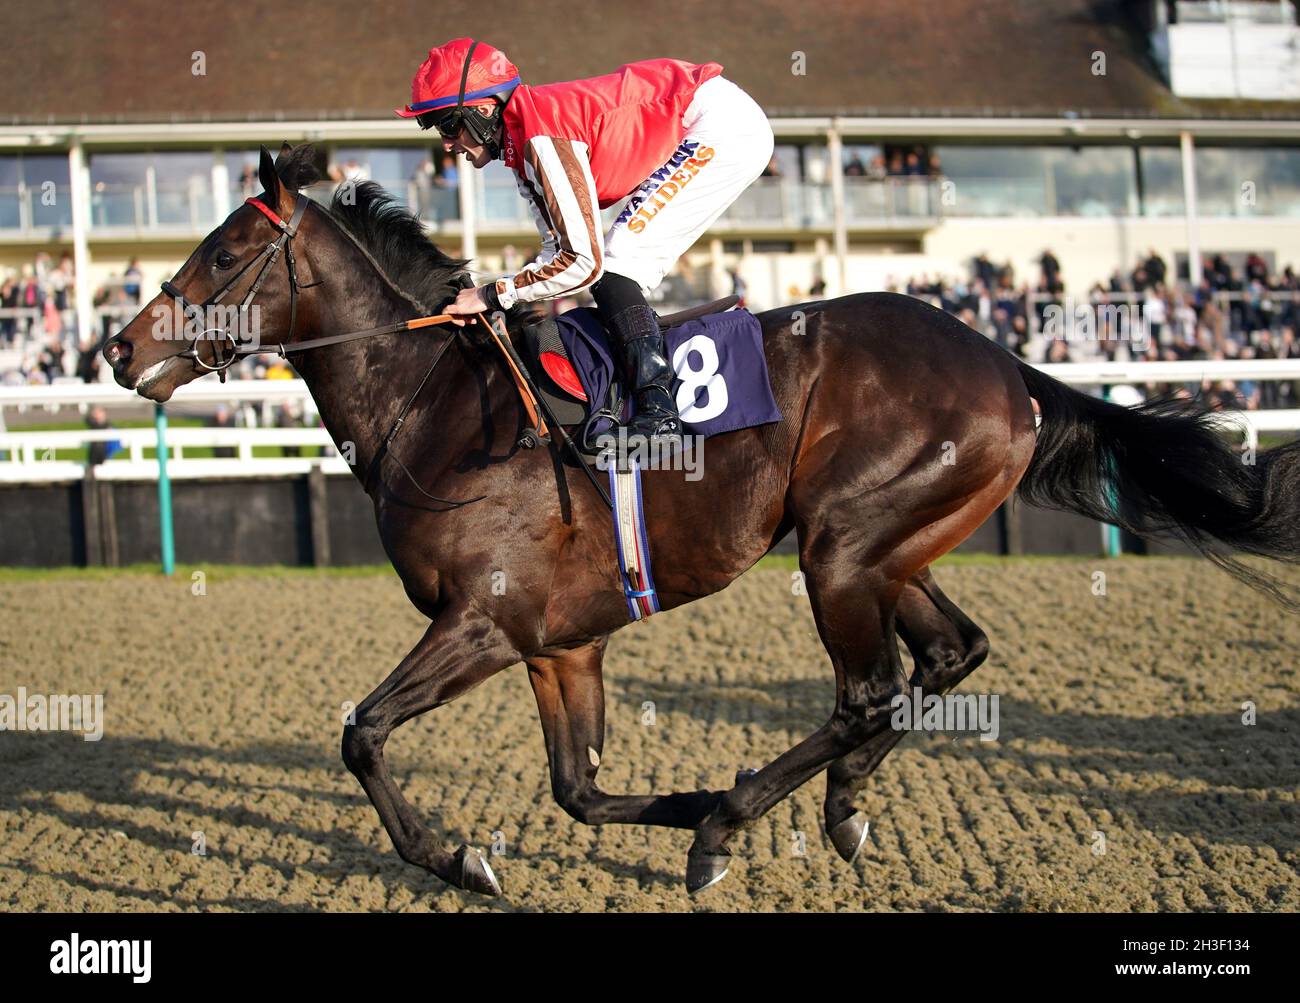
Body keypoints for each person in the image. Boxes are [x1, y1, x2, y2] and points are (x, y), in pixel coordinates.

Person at [398, 37, 774, 449]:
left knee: (617, 264)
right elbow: (555, 256)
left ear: (484, 110)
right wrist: (498, 298)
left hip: (721, 124)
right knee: (615, 267)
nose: (446, 143)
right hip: (705, 116)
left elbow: (583, 264)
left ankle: (658, 411)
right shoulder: (522, 149)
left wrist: (492, 294)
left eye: (449, 124)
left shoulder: (542, 138)